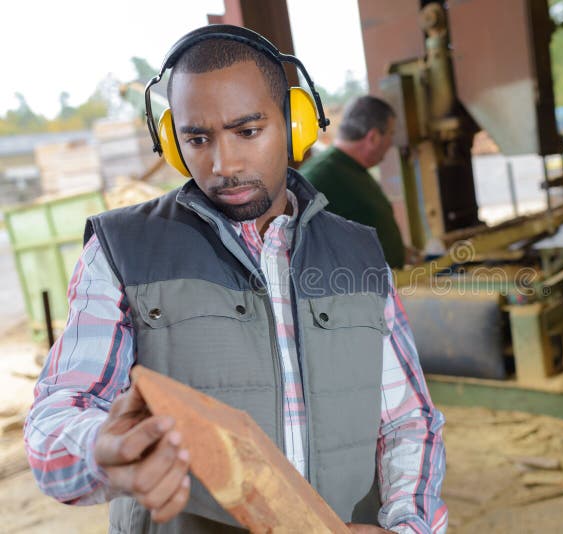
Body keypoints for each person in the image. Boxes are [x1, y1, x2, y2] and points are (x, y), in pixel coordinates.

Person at [24, 25, 446, 534]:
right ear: (173, 142)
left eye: (247, 131)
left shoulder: (359, 254)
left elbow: (407, 420)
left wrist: (409, 525)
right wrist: (100, 446)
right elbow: (57, 416)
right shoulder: (121, 251)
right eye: (197, 138)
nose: (223, 164)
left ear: (295, 125)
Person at [302, 96, 407, 268]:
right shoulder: (319, 176)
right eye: (391, 134)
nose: (391, 143)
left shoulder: (353, 169)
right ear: (373, 137)